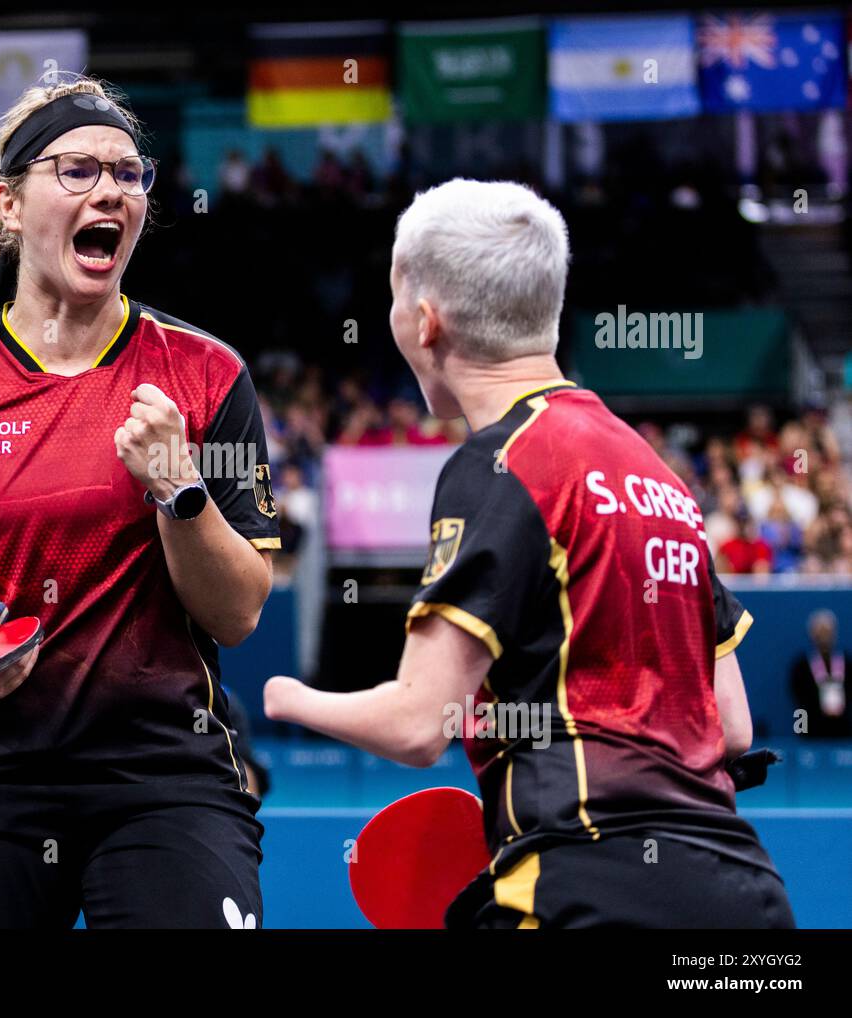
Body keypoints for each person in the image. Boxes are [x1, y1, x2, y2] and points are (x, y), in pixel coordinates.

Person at [264, 178, 794, 929]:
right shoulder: (657, 475)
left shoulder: (502, 462)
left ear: (424, 321)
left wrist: (287, 698)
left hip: (583, 888)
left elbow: (422, 723)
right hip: (743, 896)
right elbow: (731, 725)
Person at [0, 75, 280, 929]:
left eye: (130, 175)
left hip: (161, 774)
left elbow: (237, 615)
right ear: (10, 204)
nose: (112, 193)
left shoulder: (207, 377)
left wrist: (180, 489)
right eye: (79, 171)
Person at [790, 609, 850, 738]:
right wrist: (802, 732)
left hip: (845, 734)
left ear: (835, 634)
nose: (824, 639)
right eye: (819, 634)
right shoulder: (801, 668)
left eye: (827, 633)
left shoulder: (847, 663)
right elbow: (799, 705)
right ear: (812, 635)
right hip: (812, 735)